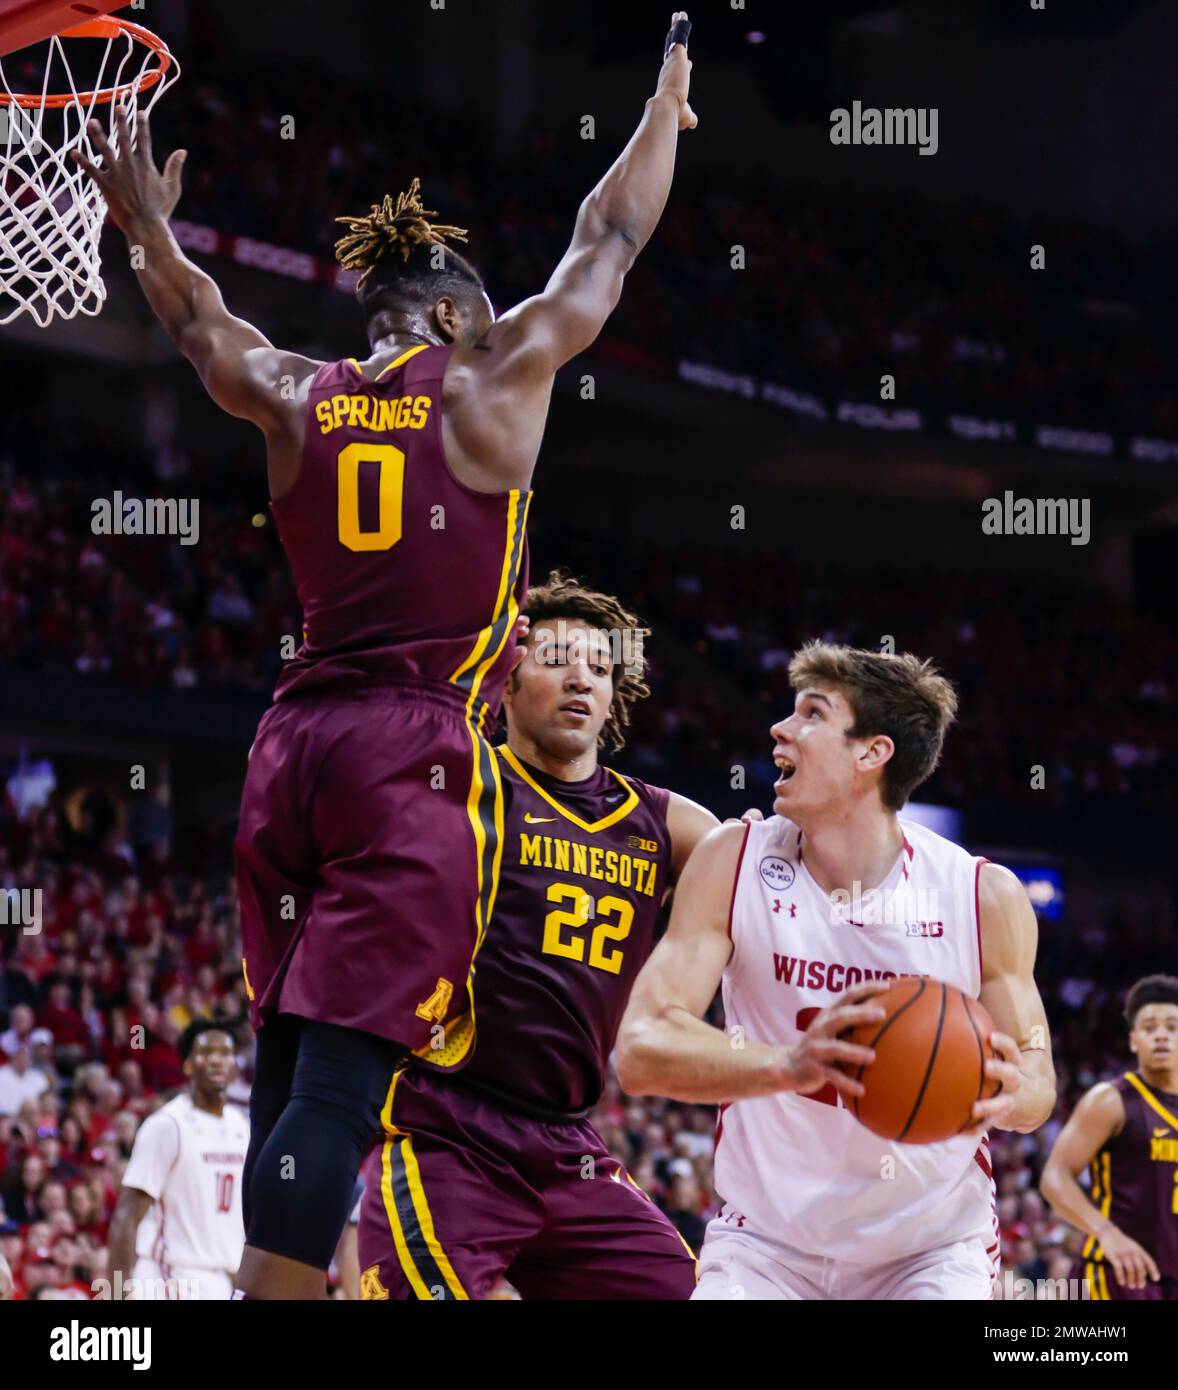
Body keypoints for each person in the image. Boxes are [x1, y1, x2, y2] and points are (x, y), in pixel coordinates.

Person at [74, 14, 697, 1300]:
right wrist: (659, 113)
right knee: (349, 1081)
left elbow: (199, 323)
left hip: (287, 742)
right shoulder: (492, 379)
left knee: (287, 1059)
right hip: (410, 755)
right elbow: (609, 238)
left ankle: (263, 1278)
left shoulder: (293, 385)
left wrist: (144, 230)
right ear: (462, 314)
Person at [617, 642, 1057, 1300]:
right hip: (765, 1241)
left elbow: (1038, 1081)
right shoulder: (732, 860)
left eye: (811, 715)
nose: (781, 729)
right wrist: (787, 1065)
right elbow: (640, 1049)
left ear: (871, 754)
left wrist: (1001, 1094)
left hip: (930, 1248)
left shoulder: (980, 896)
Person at [356, 573, 716, 1299]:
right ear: (507, 680)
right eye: (555, 658)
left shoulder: (675, 827)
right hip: (445, 1125)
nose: (580, 677)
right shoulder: (464, 782)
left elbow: (773, 892)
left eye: (599, 665)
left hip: (568, 1145)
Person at [1040, 973, 1178, 1300]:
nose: (1161, 1036)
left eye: (1172, 1027)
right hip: (1121, 1276)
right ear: (1133, 1041)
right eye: (1149, 1028)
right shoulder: (1111, 1100)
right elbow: (1055, 1177)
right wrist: (1105, 1232)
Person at [106, 1021, 248, 1301]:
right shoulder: (168, 1125)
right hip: (169, 1277)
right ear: (187, 1066)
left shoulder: (242, 1127)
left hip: (221, 1279)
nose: (217, 1060)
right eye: (206, 1053)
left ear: (234, 1066)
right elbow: (124, 1218)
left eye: (225, 1053)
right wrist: (116, 1296)